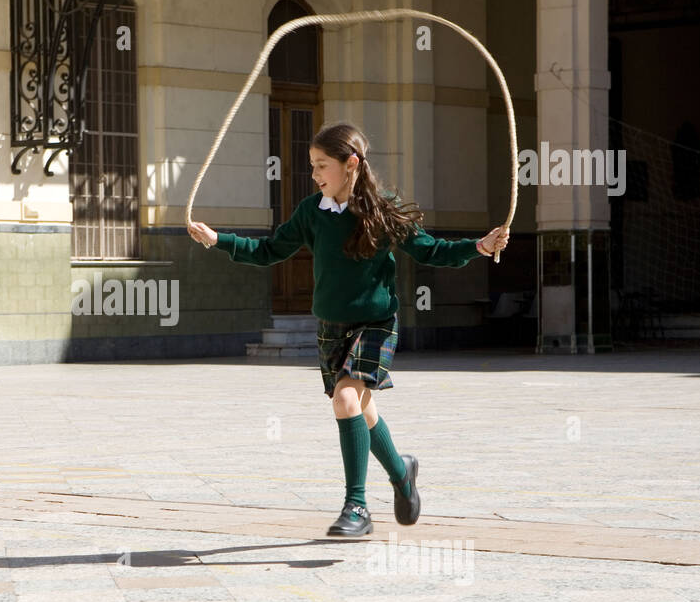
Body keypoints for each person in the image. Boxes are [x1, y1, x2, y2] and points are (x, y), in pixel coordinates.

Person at [187, 122, 509, 537]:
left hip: (376, 323)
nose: (315, 174)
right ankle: (401, 471)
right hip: (331, 328)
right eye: (312, 166)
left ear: (351, 163)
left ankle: (356, 507)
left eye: (322, 165)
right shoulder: (311, 212)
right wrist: (220, 240)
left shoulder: (382, 207)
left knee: (345, 399)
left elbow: (430, 249)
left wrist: (479, 246)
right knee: (360, 408)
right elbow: (269, 251)